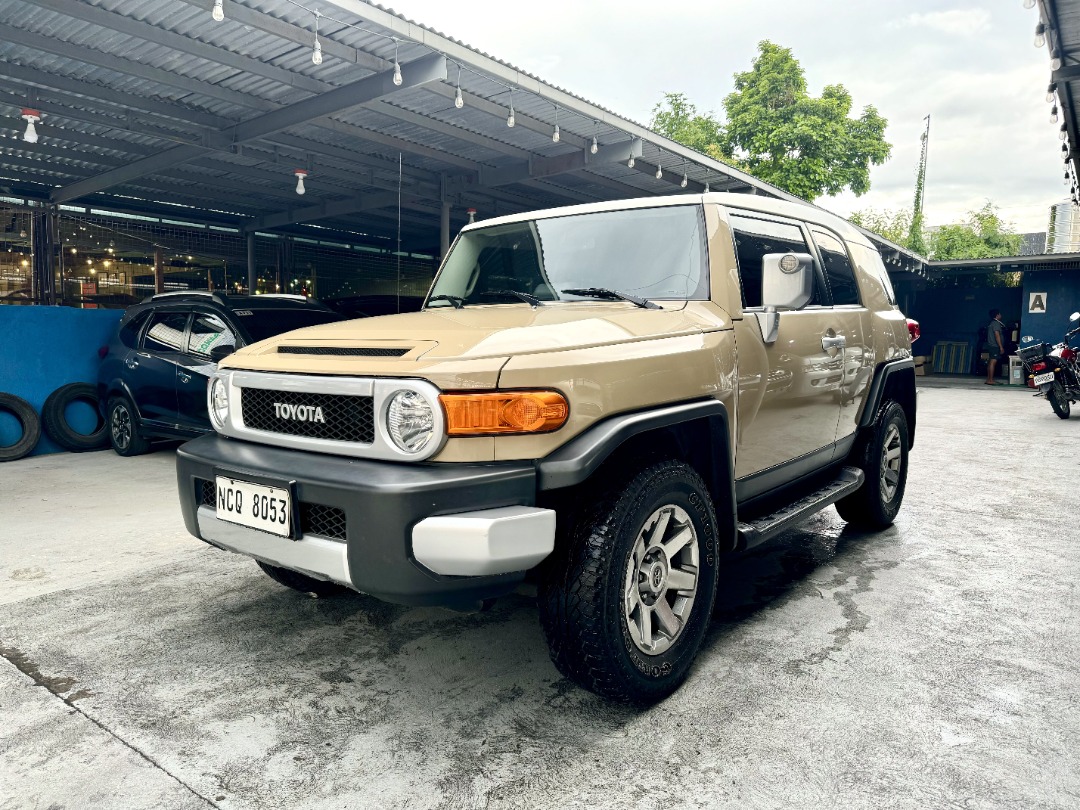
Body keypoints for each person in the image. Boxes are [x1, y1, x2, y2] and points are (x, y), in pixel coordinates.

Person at [985, 308, 1006, 385]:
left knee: (991, 362)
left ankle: (989, 379)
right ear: (997, 315)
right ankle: (990, 380)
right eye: (1000, 314)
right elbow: (997, 335)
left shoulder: (992, 323)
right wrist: (1001, 347)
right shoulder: (996, 323)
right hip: (995, 346)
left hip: (991, 345)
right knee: (993, 362)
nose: (1001, 315)